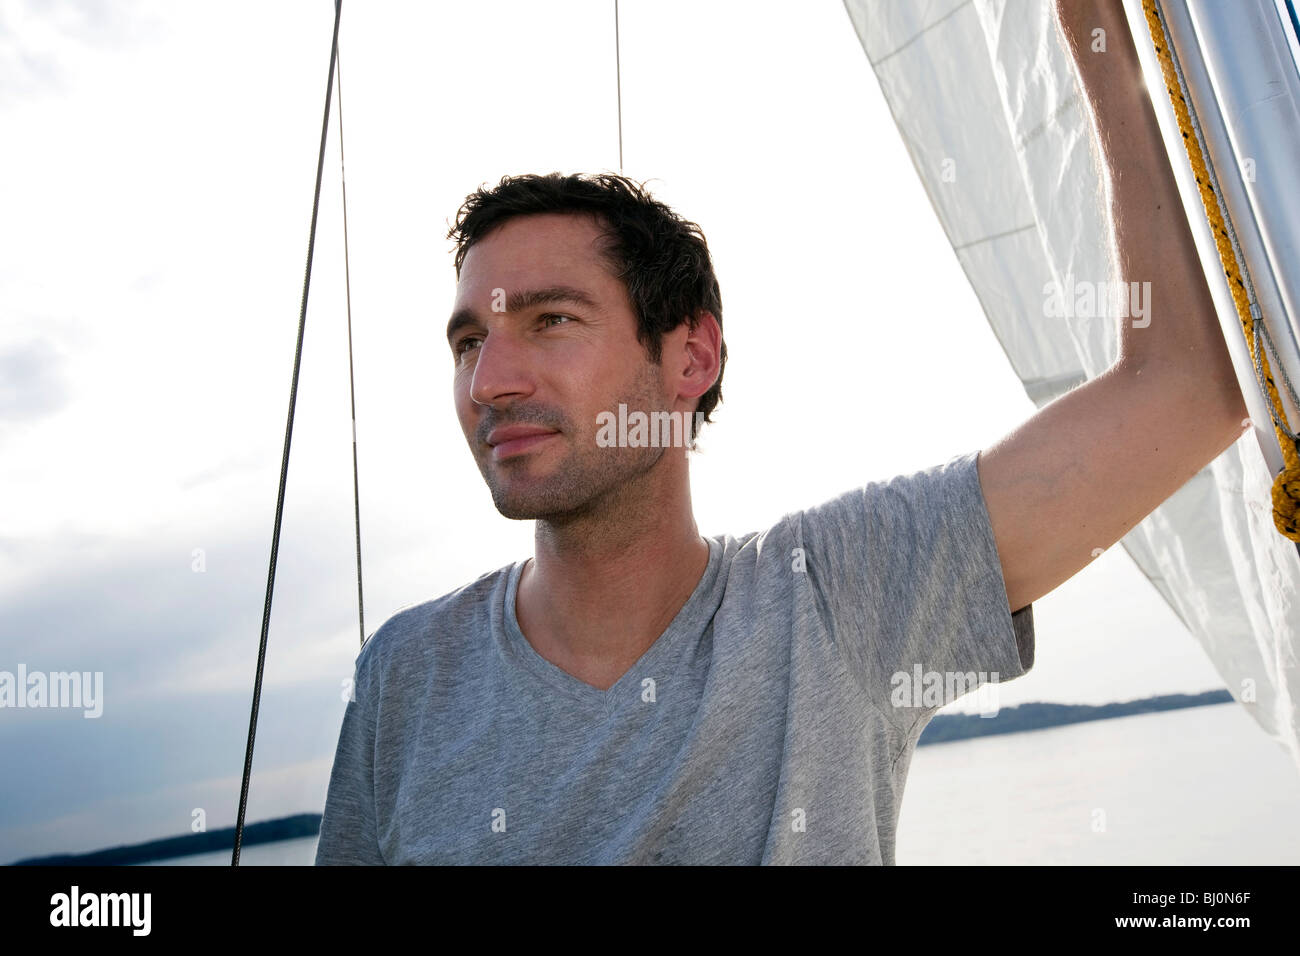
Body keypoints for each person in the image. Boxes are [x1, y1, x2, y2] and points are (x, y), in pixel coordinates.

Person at [315, 0, 1247, 865]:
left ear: (692, 359)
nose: (489, 381)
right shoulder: (407, 677)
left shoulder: (834, 600)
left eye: (552, 321)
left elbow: (1191, 388)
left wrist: (1101, 31)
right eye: (469, 341)